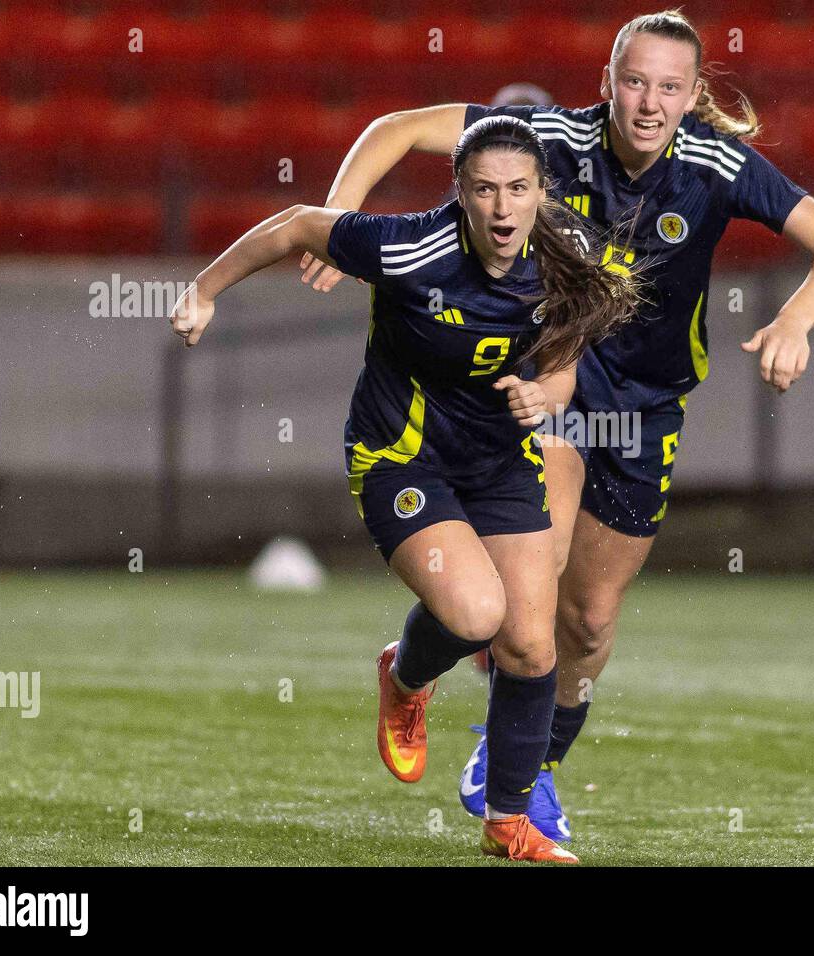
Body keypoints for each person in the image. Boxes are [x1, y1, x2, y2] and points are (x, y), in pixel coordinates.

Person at [298, 9, 814, 842]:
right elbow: (397, 129)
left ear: (692, 94)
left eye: (669, 87)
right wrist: (337, 216)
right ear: (607, 82)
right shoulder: (553, 139)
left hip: (648, 407)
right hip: (551, 386)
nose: (648, 102)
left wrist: (796, 322)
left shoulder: (715, 164)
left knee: (591, 620)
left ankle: (532, 760)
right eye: (634, 81)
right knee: (531, 601)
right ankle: (502, 779)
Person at [170, 115, 638, 863]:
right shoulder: (407, 246)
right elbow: (293, 226)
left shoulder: (568, 255)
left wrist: (546, 395)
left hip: (499, 461)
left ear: (542, 193)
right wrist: (204, 290)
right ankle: (406, 673)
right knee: (479, 612)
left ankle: (508, 824)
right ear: (459, 193)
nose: (503, 208)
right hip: (401, 458)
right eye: (484, 190)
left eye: (519, 189)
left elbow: (566, 357)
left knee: (528, 642)